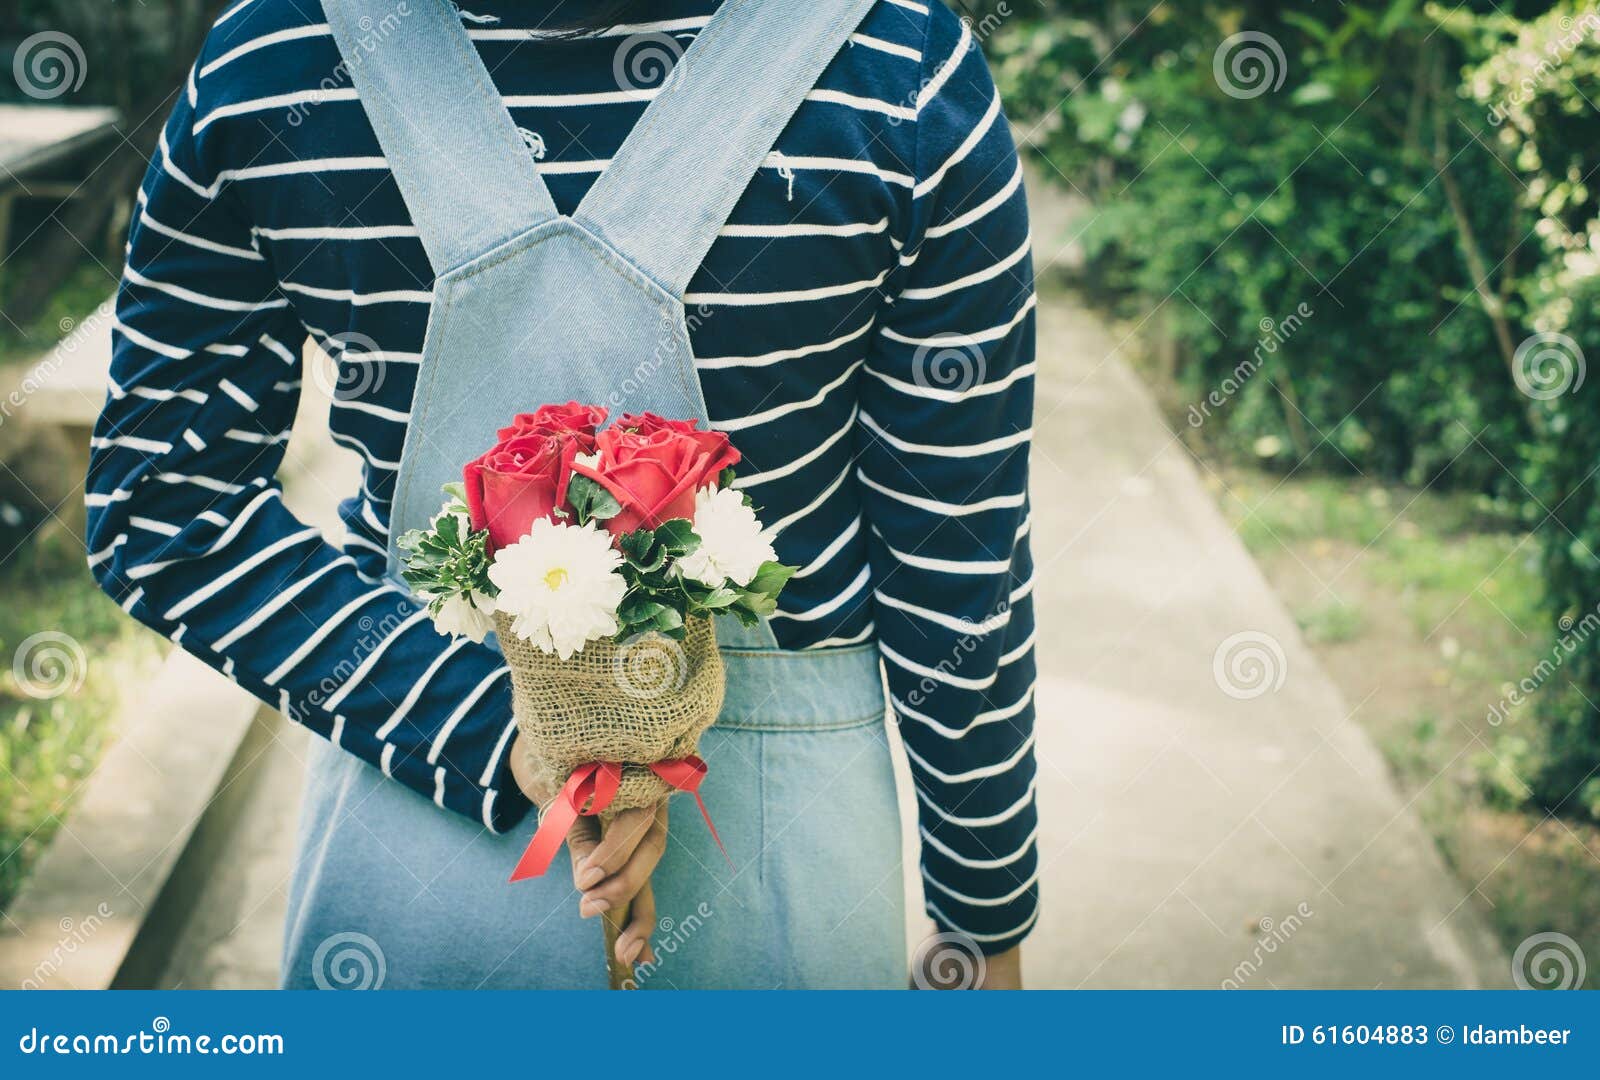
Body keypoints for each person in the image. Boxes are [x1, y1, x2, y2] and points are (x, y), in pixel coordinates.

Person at [87, 0, 1037, 989]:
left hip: (415, 840)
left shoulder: (278, 63)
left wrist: (482, 723)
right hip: (781, 856)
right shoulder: (896, 69)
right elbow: (956, 564)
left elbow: (158, 509)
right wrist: (983, 921)